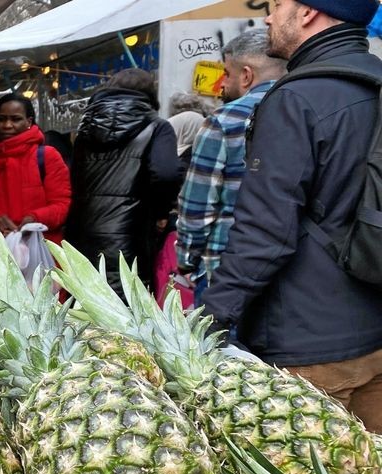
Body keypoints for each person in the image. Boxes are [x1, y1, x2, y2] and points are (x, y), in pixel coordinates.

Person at [202, 0, 382, 432]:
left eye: (277, 5)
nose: (267, 17)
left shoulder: (297, 98)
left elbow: (266, 231)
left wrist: (209, 318)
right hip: (374, 329)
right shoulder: (374, 81)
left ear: (306, 14)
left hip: (309, 348)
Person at [176, 29, 285, 306]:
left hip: (223, 271)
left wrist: (187, 260)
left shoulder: (224, 120)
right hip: (288, 276)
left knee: (221, 347)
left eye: (226, 73)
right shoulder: (307, 111)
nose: (222, 83)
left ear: (246, 75)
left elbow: (197, 207)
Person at [67, 68, 181, 296]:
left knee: (84, 305)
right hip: (132, 232)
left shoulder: (85, 128)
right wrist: (160, 212)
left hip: (81, 231)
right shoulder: (157, 127)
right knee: (127, 310)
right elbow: (167, 173)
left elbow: (75, 175)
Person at [0, 93, 71, 277]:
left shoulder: (47, 156)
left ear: (29, 121)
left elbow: (62, 204)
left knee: (46, 303)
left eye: (16, 119)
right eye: (1, 119)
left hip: (40, 251)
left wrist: (36, 218)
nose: (7, 125)